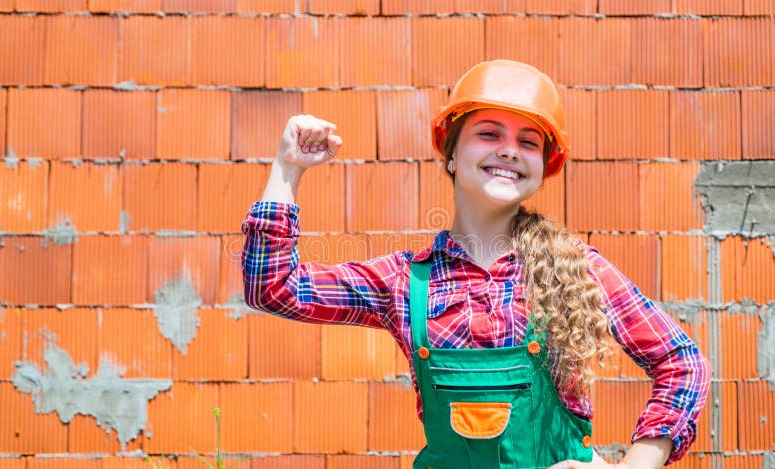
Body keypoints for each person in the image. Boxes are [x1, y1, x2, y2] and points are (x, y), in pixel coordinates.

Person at [241, 60, 710, 469]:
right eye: (489, 133)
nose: (509, 149)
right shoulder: (404, 283)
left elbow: (682, 362)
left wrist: (634, 465)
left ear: (544, 165)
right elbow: (274, 288)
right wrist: (288, 170)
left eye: (528, 142)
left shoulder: (578, 271)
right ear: (451, 155)